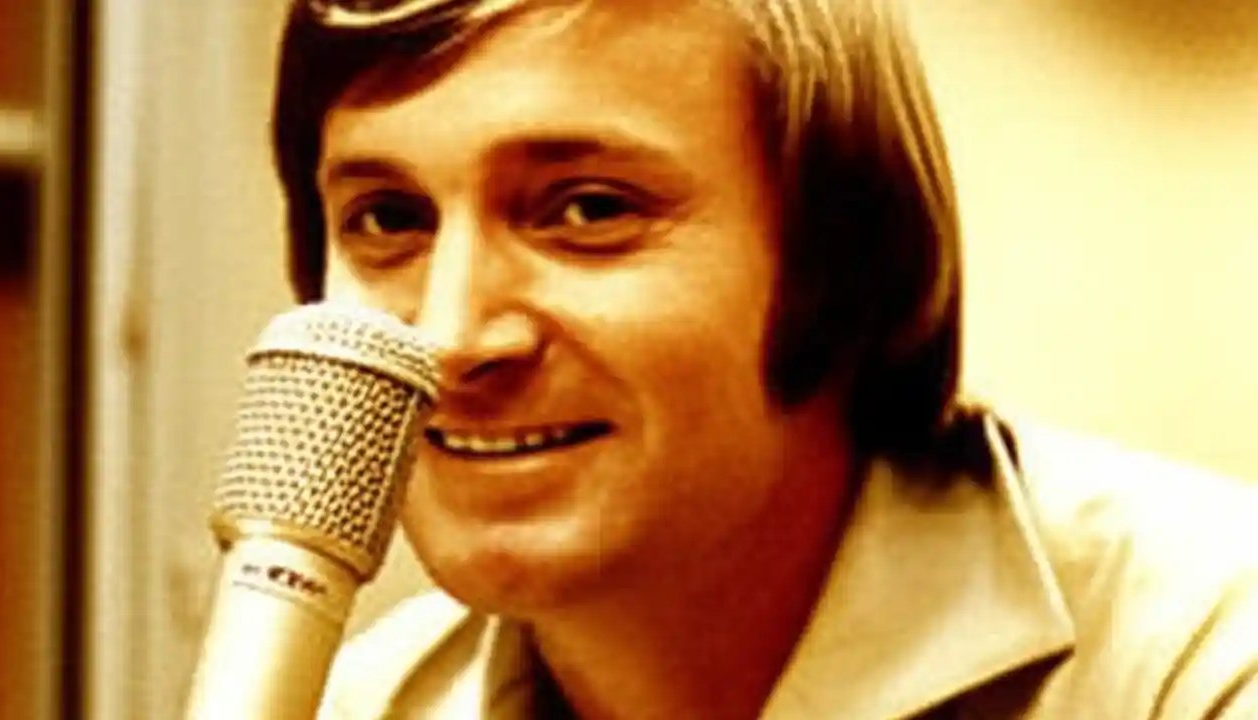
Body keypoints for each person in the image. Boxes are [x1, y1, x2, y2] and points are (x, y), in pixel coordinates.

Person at [269, 0, 1258, 717]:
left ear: (837, 257)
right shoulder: (355, 703)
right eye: (387, 219)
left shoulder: (1202, 655)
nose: (449, 339)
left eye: (589, 209)